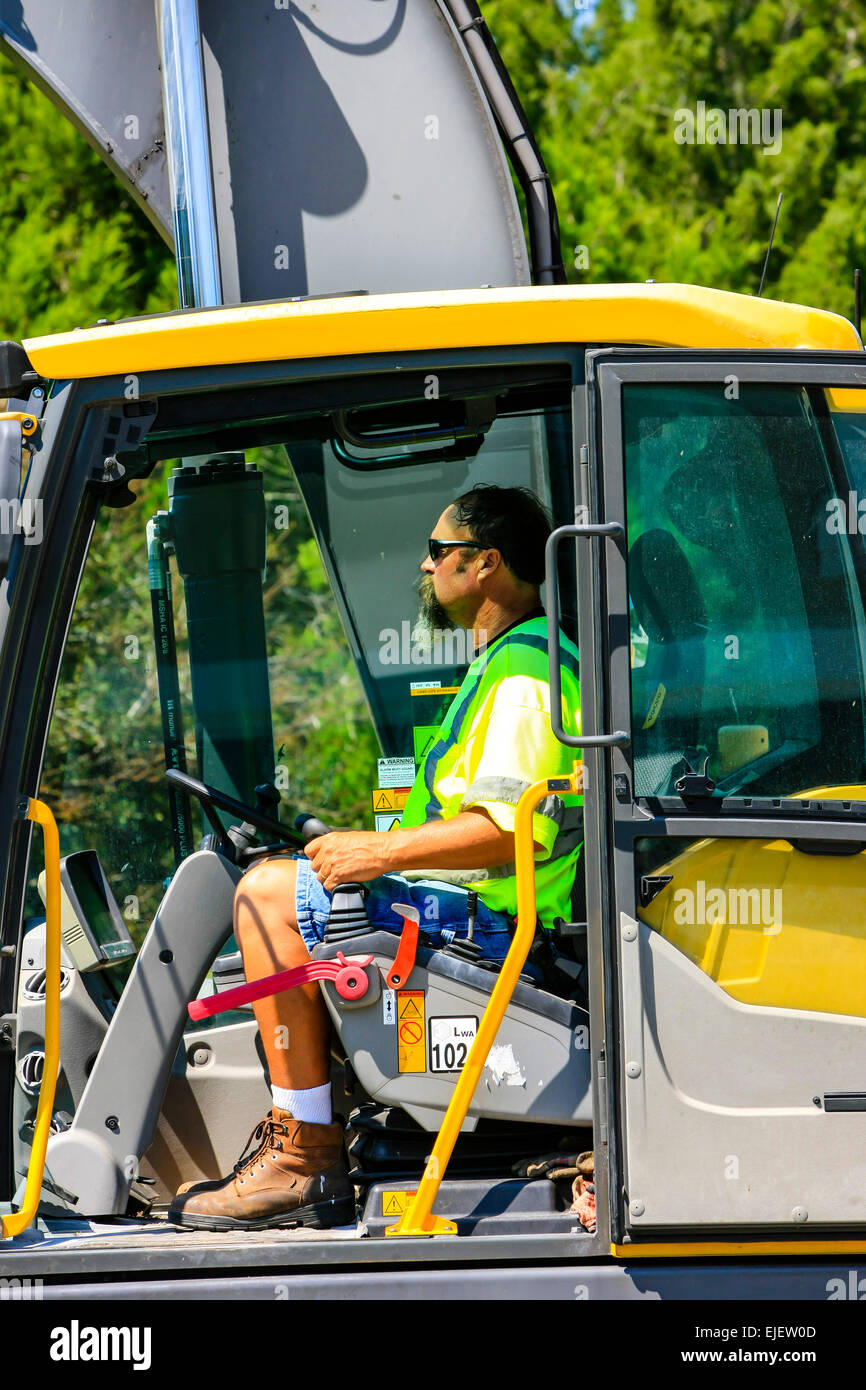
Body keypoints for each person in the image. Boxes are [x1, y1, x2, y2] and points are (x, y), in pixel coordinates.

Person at [169, 484, 582, 1230]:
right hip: (476, 915)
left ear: (485, 563)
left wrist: (375, 852)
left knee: (267, 897)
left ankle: (303, 1155)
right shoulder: (506, 665)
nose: (425, 568)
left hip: (495, 931)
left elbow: (507, 833)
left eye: (438, 551)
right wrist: (364, 852)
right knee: (290, 885)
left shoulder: (524, 679)